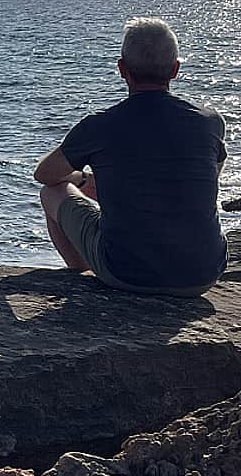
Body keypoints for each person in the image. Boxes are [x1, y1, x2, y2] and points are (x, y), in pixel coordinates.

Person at [34, 17, 226, 297]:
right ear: (175, 70)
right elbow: (202, 183)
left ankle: (82, 275)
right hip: (203, 273)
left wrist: (80, 178)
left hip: (127, 274)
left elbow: (45, 174)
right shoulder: (209, 122)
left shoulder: (100, 126)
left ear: (122, 69)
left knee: (52, 192)